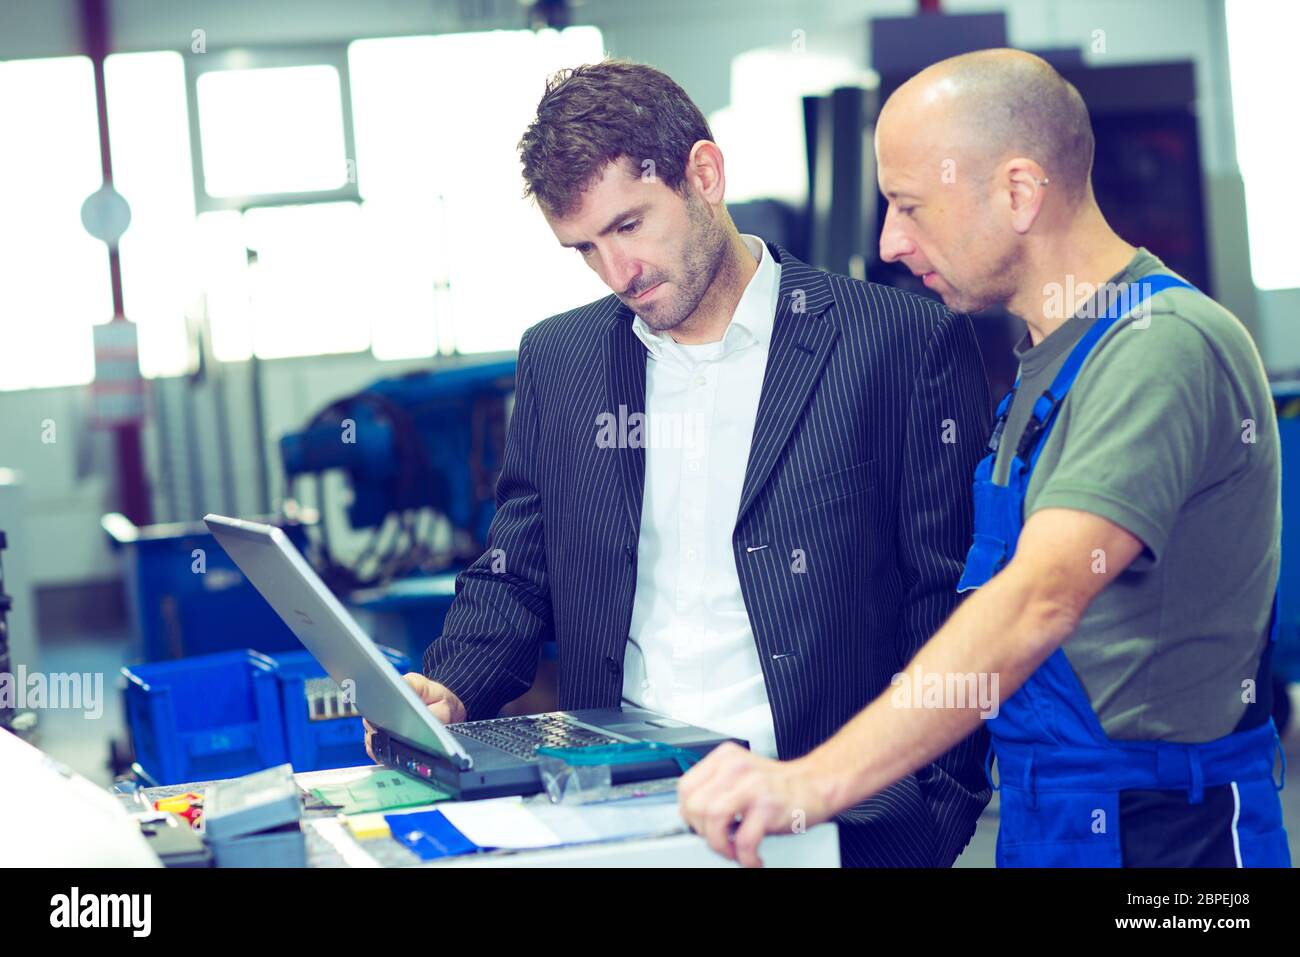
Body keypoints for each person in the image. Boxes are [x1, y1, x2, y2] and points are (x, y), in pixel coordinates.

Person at [366, 59, 995, 866]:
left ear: (704, 174)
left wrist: (931, 818)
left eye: (629, 226)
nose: (616, 273)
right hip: (621, 813)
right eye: (584, 248)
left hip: (819, 810)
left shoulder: (896, 345)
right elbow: (515, 572)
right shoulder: (561, 361)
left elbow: (944, 601)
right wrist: (448, 687)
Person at [678, 48, 1291, 869]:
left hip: (1169, 841)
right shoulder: (1040, 367)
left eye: (909, 205)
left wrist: (811, 783)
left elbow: (1039, 598)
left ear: (1019, 191)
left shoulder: (1161, 347)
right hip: (1055, 819)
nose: (890, 241)